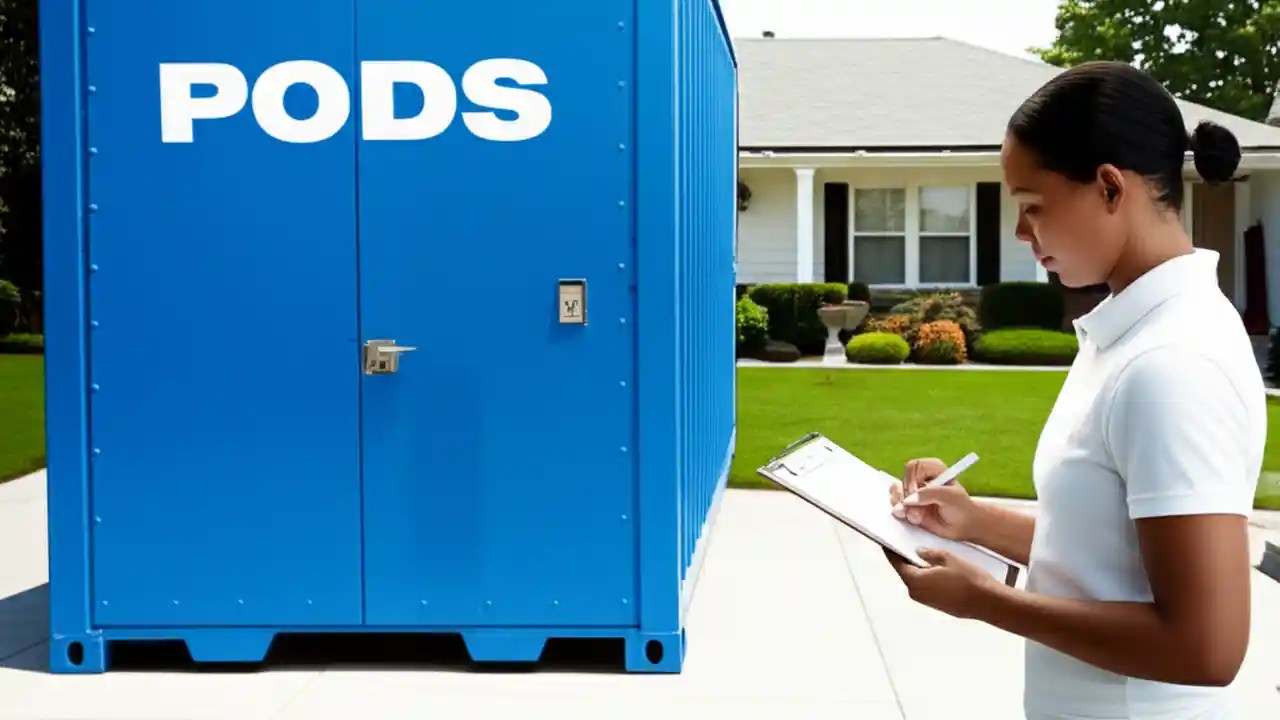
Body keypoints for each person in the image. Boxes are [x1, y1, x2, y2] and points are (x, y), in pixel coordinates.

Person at [884, 60, 1266, 720]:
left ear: (1111, 188)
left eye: (1033, 206)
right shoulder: (1131, 335)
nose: (1021, 233)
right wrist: (973, 522)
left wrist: (988, 602)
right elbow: (1109, 552)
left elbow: (1207, 647)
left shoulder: (1171, 363)